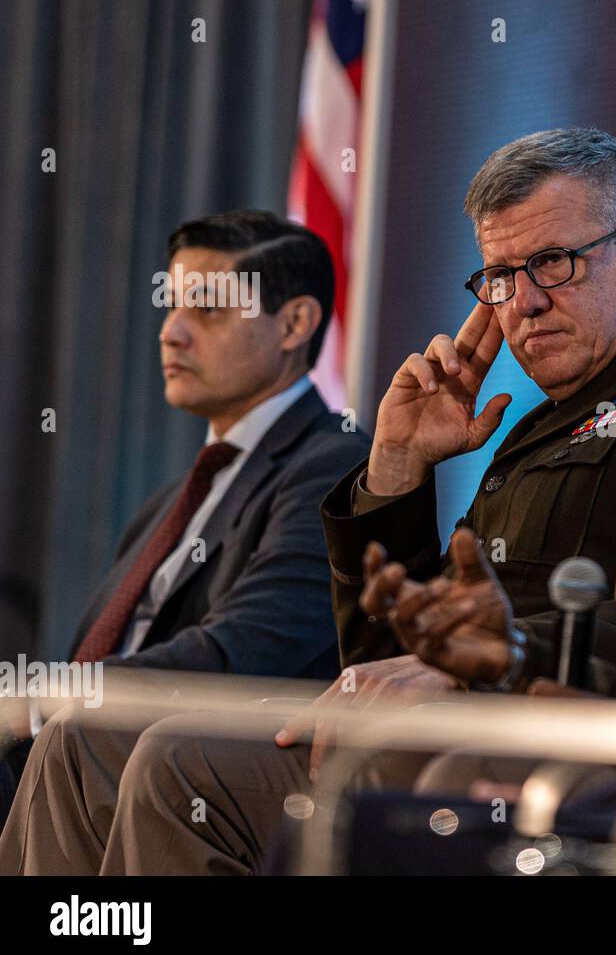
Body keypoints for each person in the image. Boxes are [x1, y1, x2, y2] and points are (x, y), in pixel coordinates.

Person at [2, 128, 616, 875]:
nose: (522, 303)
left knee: (180, 764)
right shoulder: (530, 424)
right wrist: (397, 468)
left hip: (537, 745)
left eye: (552, 264)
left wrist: (480, 664)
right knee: (80, 741)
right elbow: (381, 660)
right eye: (500, 276)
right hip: (436, 728)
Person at [0, 209, 371, 842]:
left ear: (294, 323)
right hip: (75, 764)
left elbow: (244, 650)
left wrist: (48, 697)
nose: (171, 333)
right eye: (171, 308)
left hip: (204, 773)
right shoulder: (170, 502)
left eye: (207, 310)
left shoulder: (335, 460)